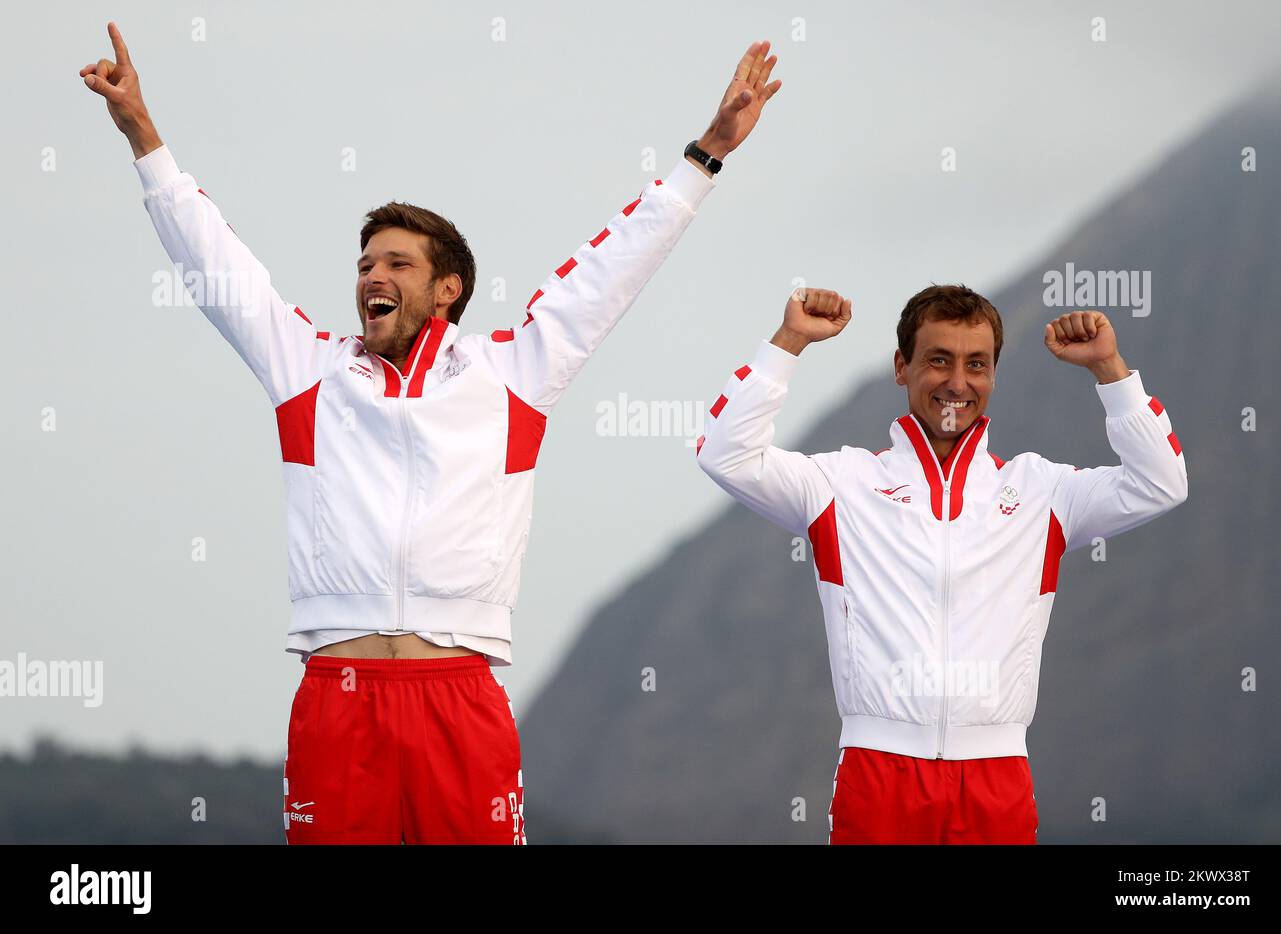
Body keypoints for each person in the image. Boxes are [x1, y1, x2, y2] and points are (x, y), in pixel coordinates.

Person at [80, 21, 782, 844]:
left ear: (447, 289)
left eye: (397, 263)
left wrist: (706, 154)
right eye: (364, 263)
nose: (372, 275)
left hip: (461, 693)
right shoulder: (309, 371)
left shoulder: (513, 372)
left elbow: (612, 271)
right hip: (338, 697)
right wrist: (143, 133)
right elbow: (217, 265)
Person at [695, 285, 1188, 843]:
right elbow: (724, 453)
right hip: (879, 774)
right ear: (901, 367)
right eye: (938, 360)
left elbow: (1161, 483)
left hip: (995, 780)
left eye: (976, 364)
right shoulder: (841, 484)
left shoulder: (1040, 491)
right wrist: (790, 341)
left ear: (994, 375)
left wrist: (1110, 370)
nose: (958, 383)